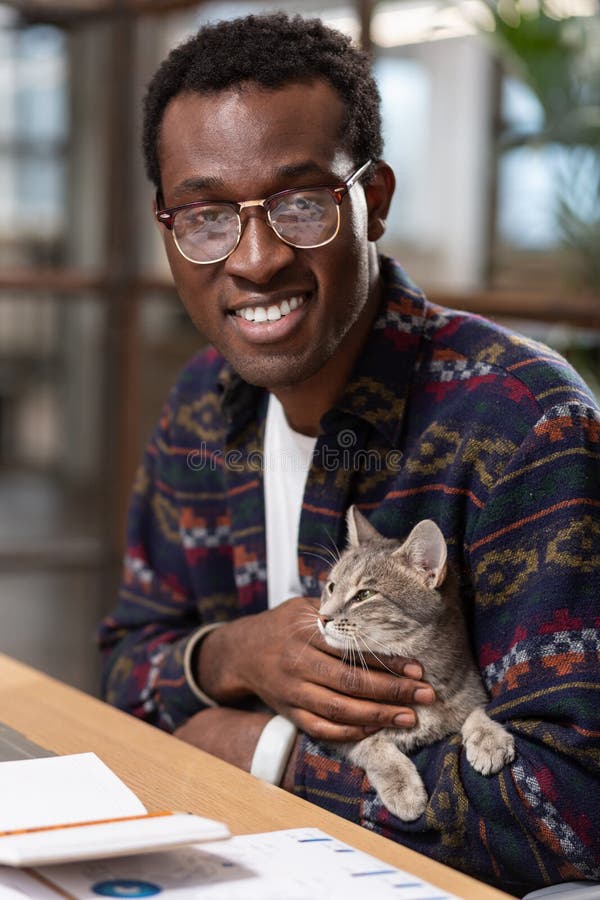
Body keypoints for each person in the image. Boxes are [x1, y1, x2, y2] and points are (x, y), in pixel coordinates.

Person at [98, 12, 600, 896]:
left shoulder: (525, 423)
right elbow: (124, 666)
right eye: (208, 216)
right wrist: (232, 655)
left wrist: (267, 747)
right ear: (168, 228)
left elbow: (574, 810)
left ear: (373, 201)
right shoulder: (197, 411)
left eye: (300, 203)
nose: (254, 260)